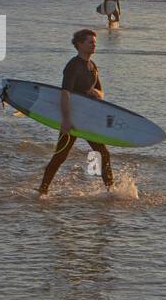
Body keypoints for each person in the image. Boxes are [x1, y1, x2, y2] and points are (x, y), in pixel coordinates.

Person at [38, 29, 113, 196]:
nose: (94, 44)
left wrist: (94, 93)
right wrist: (66, 120)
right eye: (90, 42)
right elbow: (65, 93)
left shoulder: (93, 66)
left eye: (95, 42)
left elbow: (101, 93)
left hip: (86, 119)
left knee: (103, 153)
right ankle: (43, 191)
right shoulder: (73, 66)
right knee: (60, 156)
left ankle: (110, 190)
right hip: (72, 118)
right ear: (79, 44)